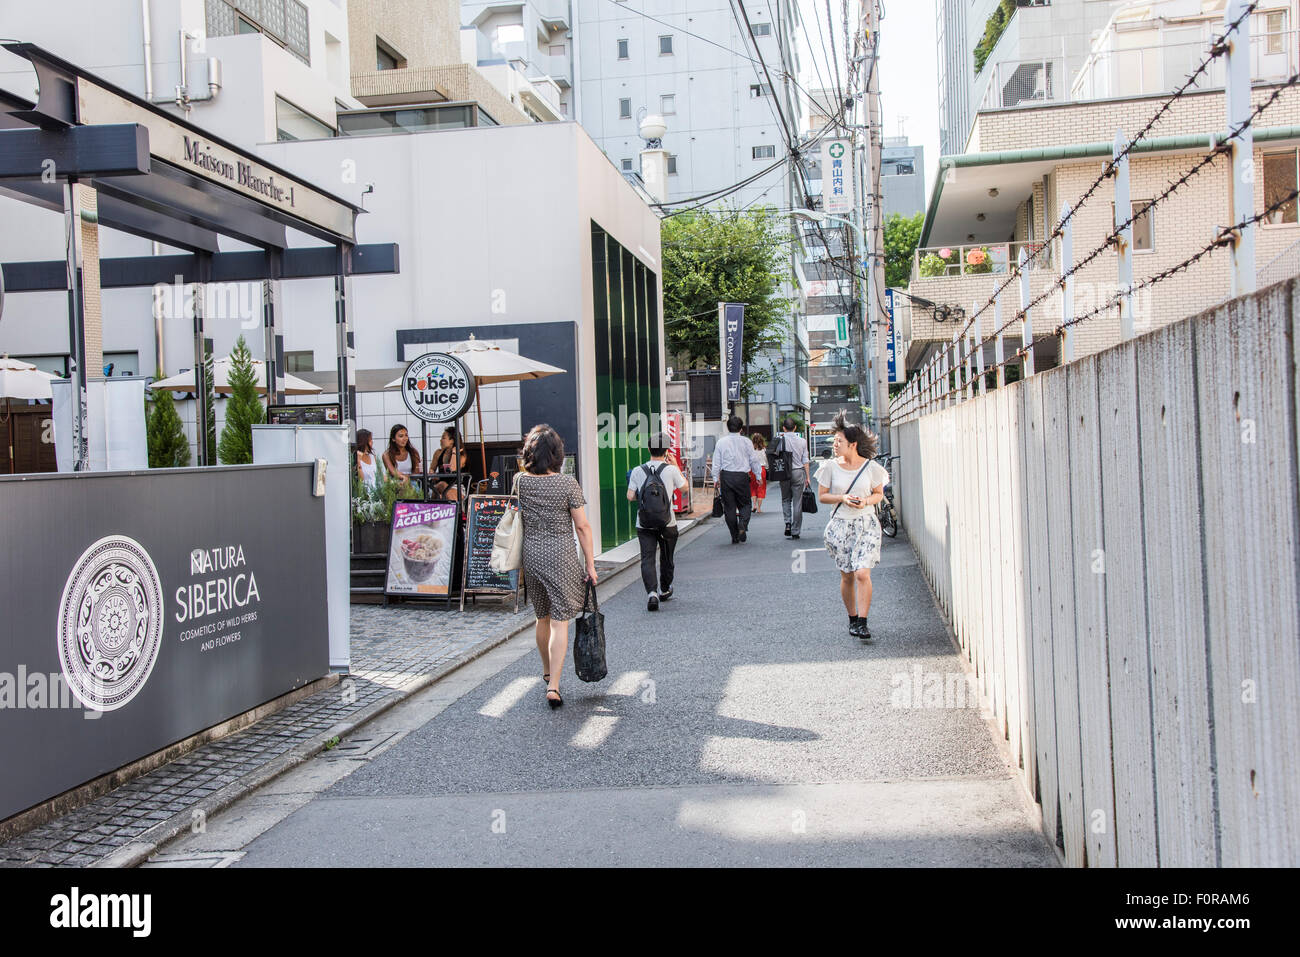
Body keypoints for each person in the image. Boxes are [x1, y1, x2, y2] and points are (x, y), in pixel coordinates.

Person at [515, 424, 598, 708]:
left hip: (532, 555)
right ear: (557, 455)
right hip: (561, 555)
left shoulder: (521, 482)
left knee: (542, 617)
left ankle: (547, 671)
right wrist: (590, 564)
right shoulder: (567, 484)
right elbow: (583, 527)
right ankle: (554, 686)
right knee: (561, 620)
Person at [816, 411, 889, 641]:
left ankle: (863, 622)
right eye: (835, 441)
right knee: (847, 575)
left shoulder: (871, 468)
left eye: (840, 442)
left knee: (862, 573)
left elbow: (878, 494)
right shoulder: (830, 467)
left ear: (853, 444)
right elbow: (823, 497)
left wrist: (865, 501)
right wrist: (843, 499)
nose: (835, 445)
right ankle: (852, 618)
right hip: (841, 526)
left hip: (866, 524)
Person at [627, 432, 688, 611]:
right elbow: (684, 488)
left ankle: (651, 593)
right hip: (668, 522)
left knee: (647, 558)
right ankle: (665, 589)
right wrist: (676, 465)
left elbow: (630, 496)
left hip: (644, 523)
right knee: (667, 557)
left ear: (648, 449)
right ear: (666, 451)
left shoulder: (638, 470)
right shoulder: (671, 469)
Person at [711, 415, 765, 543]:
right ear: (741, 428)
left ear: (728, 427)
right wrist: (758, 476)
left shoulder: (721, 442)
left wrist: (715, 478)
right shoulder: (746, 442)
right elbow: (754, 460)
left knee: (729, 507)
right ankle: (742, 525)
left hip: (726, 477)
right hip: (742, 477)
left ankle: (734, 536)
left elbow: (716, 463)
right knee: (745, 504)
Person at [775, 417, 812, 540]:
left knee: (785, 499)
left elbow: (774, 455)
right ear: (795, 427)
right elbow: (805, 460)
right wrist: (808, 477)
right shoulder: (802, 441)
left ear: (784, 428)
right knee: (797, 501)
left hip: (784, 473)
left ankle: (787, 523)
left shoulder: (780, 440)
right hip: (798, 472)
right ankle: (796, 530)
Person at [430, 425, 468, 501]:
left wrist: (454, 453)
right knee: (440, 486)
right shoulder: (438, 453)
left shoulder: (461, 456)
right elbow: (432, 468)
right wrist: (432, 474)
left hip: (456, 486)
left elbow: (453, 468)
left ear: (452, 441)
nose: (440, 440)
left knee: (442, 488)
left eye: (443, 438)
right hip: (439, 486)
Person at [749, 433, 768, 513]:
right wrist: (767, 467)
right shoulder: (764, 450)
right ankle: (759, 508)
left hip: (752, 470)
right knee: (761, 488)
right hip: (762, 469)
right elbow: (766, 461)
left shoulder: (751, 450)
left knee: (753, 487)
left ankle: (754, 505)